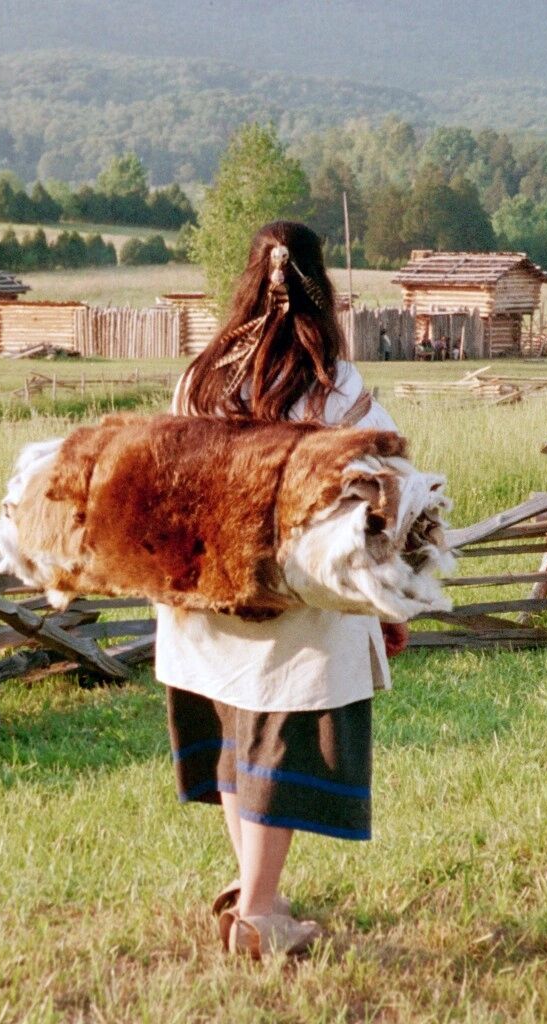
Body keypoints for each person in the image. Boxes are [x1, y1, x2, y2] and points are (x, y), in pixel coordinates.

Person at [158, 221, 410, 959]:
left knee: (237, 737)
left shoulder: (201, 372)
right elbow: (383, 490)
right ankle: (260, 914)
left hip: (206, 585)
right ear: (319, 285)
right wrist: (386, 601)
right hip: (294, 594)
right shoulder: (331, 381)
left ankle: (250, 888)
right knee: (274, 742)